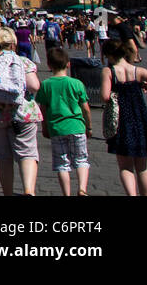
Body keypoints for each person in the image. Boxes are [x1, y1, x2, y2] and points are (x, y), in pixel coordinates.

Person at [0, 27, 42, 195]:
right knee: (27, 153)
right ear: (14, 43)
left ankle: (8, 193)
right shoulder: (23, 62)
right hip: (23, 113)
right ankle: (29, 191)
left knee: (3, 156)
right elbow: (34, 86)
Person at [35, 47, 91, 196]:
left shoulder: (46, 84)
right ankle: (82, 189)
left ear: (49, 65)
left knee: (62, 163)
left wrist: (44, 127)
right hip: (77, 126)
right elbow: (85, 108)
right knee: (81, 159)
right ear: (68, 64)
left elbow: (43, 109)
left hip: (57, 128)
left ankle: (66, 193)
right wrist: (89, 126)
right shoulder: (76, 83)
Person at [100, 38, 147, 195]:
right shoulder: (138, 71)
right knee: (143, 166)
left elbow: (105, 96)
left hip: (121, 121)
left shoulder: (109, 71)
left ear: (109, 54)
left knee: (125, 166)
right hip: (140, 119)